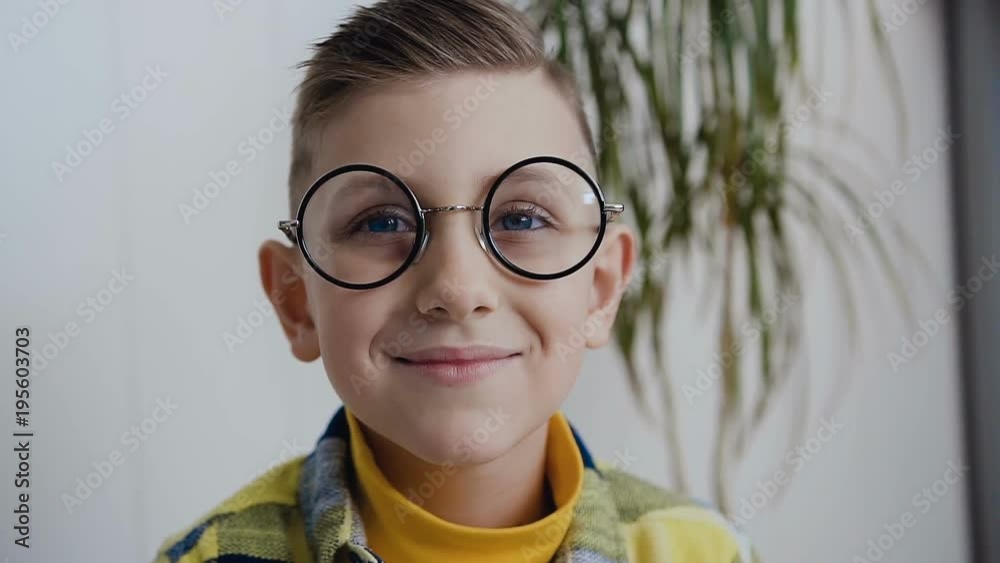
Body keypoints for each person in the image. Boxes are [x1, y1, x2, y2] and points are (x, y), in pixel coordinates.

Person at [154, 1, 755, 561]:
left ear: (601, 288)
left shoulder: (704, 551)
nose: (457, 289)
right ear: (296, 301)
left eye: (521, 218)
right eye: (382, 221)